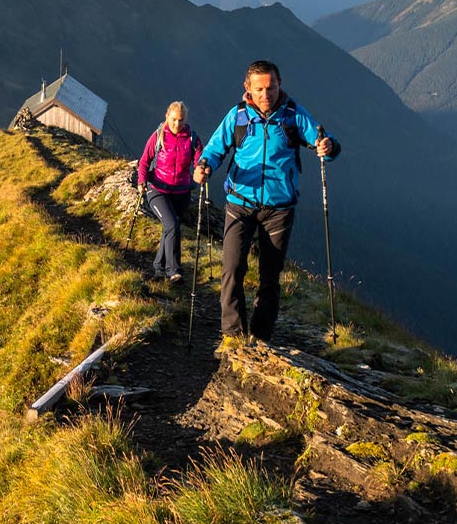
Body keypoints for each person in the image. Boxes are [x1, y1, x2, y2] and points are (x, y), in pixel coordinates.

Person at [193, 60, 340, 347]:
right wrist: (202, 166)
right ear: (247, 88)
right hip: (240, 202)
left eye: (270, 87)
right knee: (232, 268)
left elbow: (323, 140)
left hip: (279, 208)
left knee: (269, 277)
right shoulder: (237, 116)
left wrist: (328, 147)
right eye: (259, 88)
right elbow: (214, 149)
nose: (265, 94)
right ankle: (234, 336)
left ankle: (261, 338)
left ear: (279, 84)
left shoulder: (293, 115)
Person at [136, 101, 201, 282]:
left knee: (170, 227)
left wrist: (202, 169)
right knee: (172, 224)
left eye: (180, 120)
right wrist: (141, 181)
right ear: (167, 117)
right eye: (173, 120)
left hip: (182, 192)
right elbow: (144, 162)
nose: (176, 124)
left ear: (185, 120)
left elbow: (199, 161)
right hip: (157, 189)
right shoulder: (158, 136)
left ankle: (158, 267)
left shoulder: (192, 139)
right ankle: (173, 271)